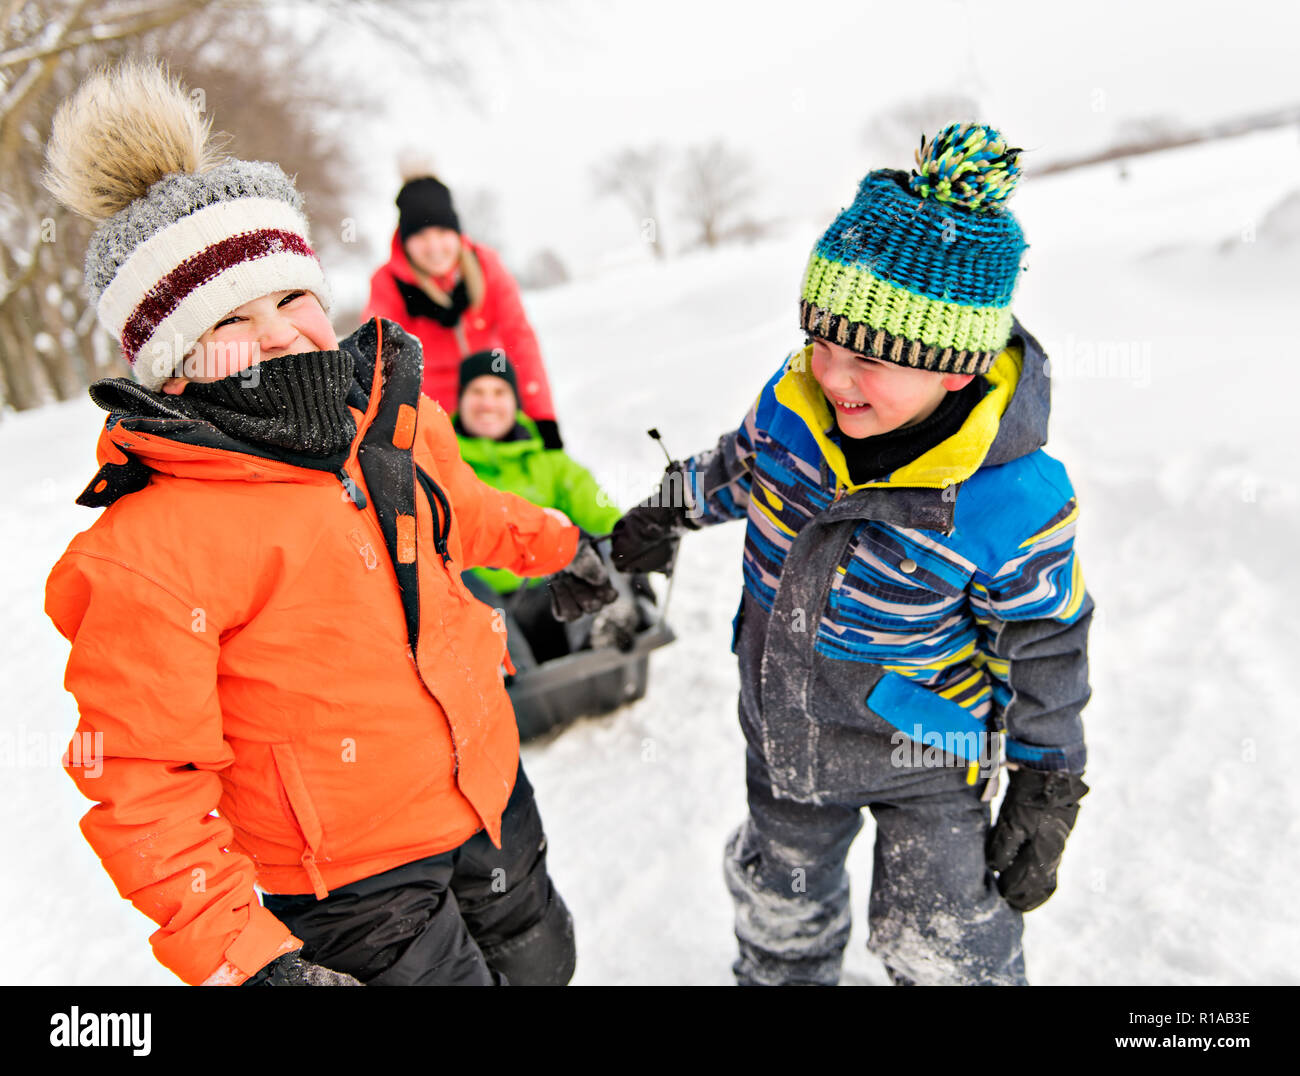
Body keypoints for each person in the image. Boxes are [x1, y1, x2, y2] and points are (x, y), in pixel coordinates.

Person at [41, 60, 612, 987]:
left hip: (492, 793)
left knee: (544, 960)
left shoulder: (389, 424)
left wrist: (564, 546)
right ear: (173, 360)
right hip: (353, 881)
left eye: (290, 296)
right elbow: (141, 779)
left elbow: (467, 517)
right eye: (230, 317)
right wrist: (248, 957)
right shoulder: (152, 547)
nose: (279, 331)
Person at [604, 124, 1094, 986]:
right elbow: (733, 465)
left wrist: (1048, 778)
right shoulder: (796, 412)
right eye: (822, 342)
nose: (833, 376)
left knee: (944, 934)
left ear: (954, 367)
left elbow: (1049, 640)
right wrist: (659, 512)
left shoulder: (1011, 501)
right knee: (781, 909)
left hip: (928, 754)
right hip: (786, 734)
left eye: (867, 358)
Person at [451, 349, 640, 676]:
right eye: (477, 393)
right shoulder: (446, 466)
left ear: (515, 402)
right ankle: (507, 675)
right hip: (485, 605)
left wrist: (635, 541)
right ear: (461, 402)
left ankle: (603, 637)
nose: (488, 403)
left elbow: (603, 517)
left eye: (499, 392)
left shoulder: (549, 464)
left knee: (596, 546)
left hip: (554, 595)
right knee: (458, 581)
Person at [362, 171, 565, 450]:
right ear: (405, 241)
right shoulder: (389, 284)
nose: (434, 247)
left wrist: (543, 418)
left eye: (443, 233)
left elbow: (519, 339)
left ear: (457, 233)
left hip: (492, 404)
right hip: (435, 420)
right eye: (421, 235)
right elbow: (379, 361)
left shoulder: (486, 266)